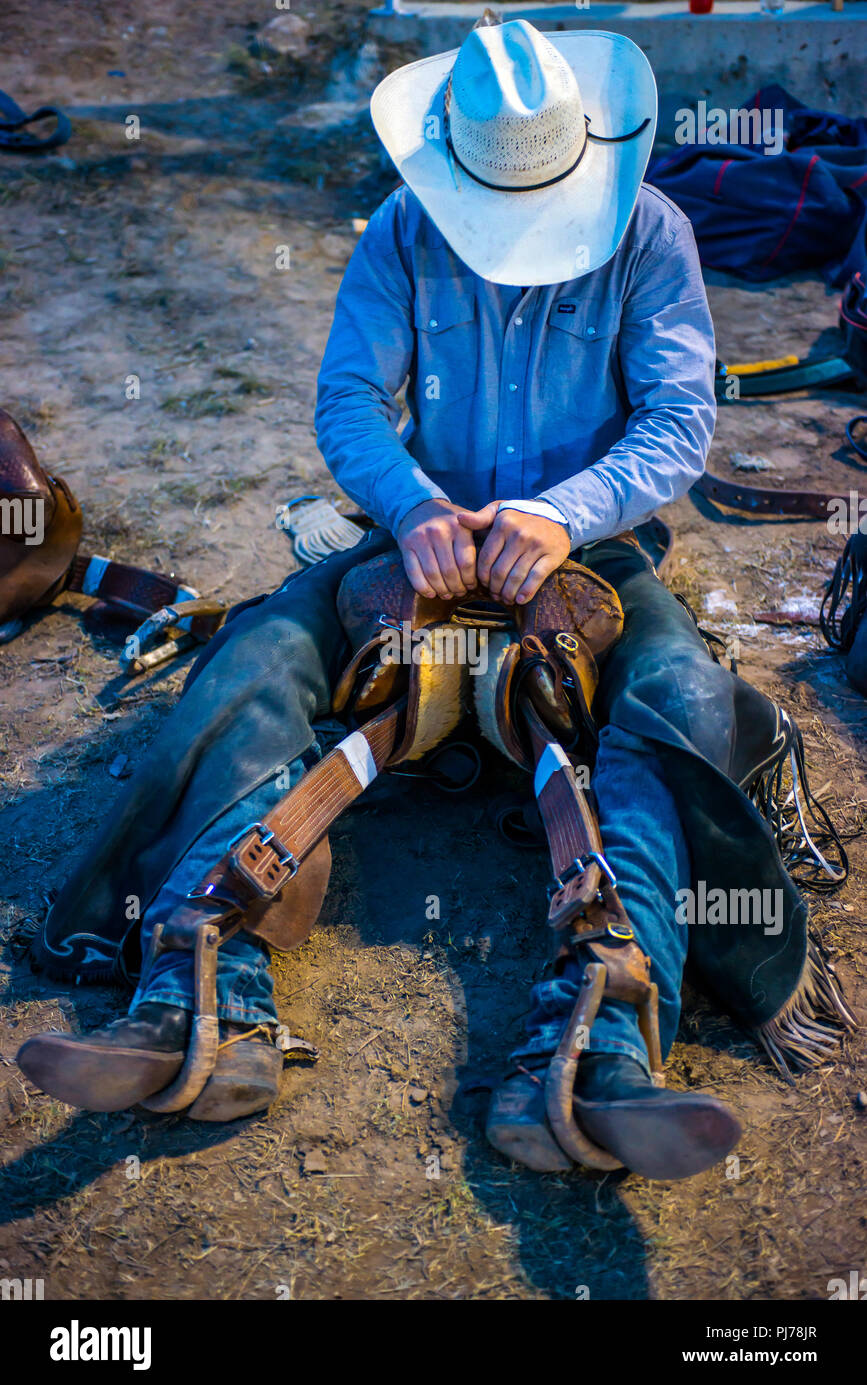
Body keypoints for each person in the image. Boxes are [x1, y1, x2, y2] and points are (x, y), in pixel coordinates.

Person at [17, 18, 852, 1178]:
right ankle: (203, 972)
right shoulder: (405, 232)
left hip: (592, 548)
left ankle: (610, 1020)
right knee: (259, 658)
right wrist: (413, 512)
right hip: (419, 542)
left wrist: (565, 513)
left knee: (675, 698)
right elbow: (351, 401)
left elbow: (677, 422)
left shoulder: (652, 232)